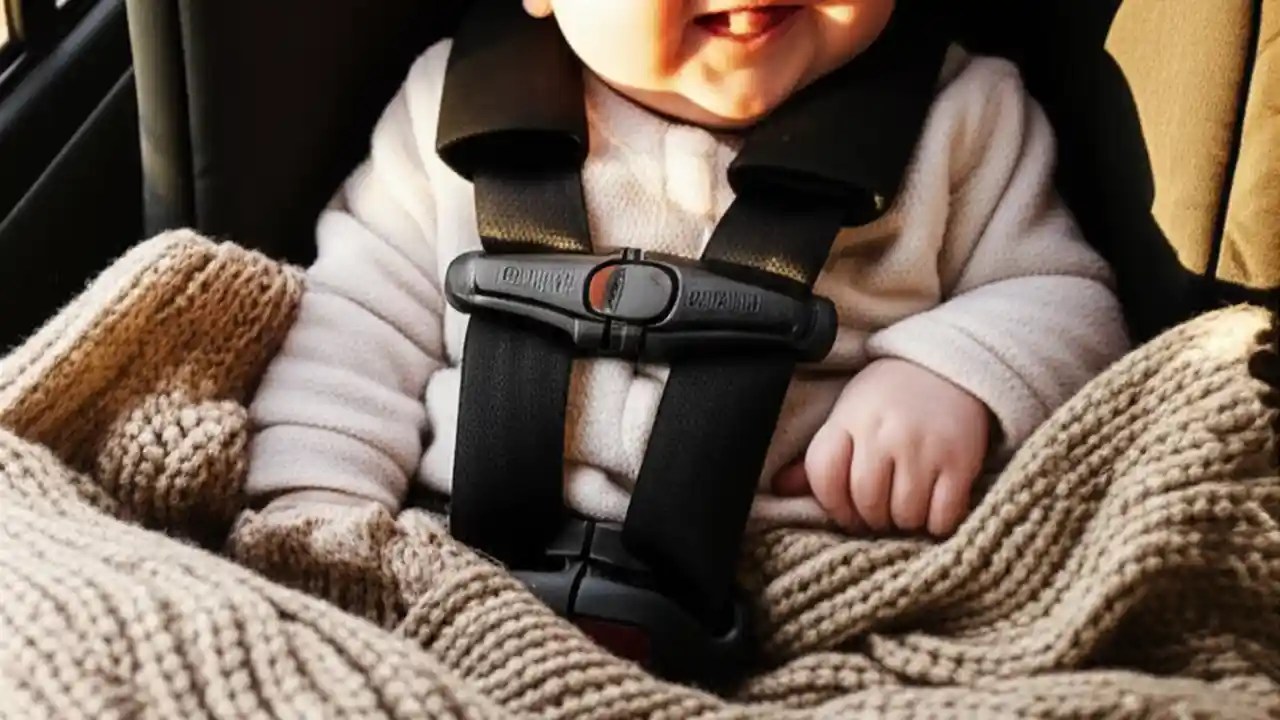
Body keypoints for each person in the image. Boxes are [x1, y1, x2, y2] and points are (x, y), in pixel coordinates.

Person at [242, 0, 1129, 540]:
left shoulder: (962, 122)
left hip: (819, 572)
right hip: (467, 556)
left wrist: (953, 377)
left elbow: (1066, 302)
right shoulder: (454, 119)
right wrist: (317, 502)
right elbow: (352, 328)